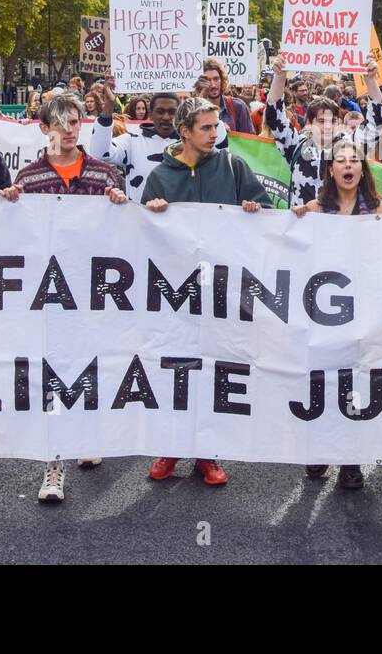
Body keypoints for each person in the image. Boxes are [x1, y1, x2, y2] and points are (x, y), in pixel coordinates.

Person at [0, 93, 128, 501]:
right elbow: (19, 237)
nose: (69, 129)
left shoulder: (106, 174)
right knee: (52, 371)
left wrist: (121, 206)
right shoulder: (29, 178)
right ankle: (53, 464)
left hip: (94, 293)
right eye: (60, 122)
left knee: (90, 368)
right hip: (50, 294)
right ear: (44, 129)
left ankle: (85, 436)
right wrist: (8, 206)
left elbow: (126, 238)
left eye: (75, 121)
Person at [141, 97, 271, 486]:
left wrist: (253, 209)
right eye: (207, 128)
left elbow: (266, 213)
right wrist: (152, 211)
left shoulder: (233, 166)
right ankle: (172, 446)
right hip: (176, 293)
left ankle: (207, 454)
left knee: (214, 368)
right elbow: (139, 233)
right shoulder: (159, 177)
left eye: (217, 127)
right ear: (184, 132)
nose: (215, 134)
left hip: (223, 289)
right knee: (176, 369)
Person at [291, 139, 382, 488]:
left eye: (354, 160)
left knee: (356, 384)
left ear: (362, 169)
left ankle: (351, 460)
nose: (348, 165)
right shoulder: (314, 210)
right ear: (331, 170)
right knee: (322, 383)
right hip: (322, 315)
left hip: (364, 315)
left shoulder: (380, 210)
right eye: (340, 160)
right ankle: (320, 452)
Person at [266, 57, 382, 207]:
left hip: (340, 226)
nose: (328, 126)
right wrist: (279, 77)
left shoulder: (351, 146)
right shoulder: (296, 145)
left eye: (333, 121)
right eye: (322, 121)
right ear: (309, 122)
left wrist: (370, 80)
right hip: (301, 227)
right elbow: (275, 117)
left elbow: (377, 123)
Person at [88, 91, 227, 202]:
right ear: (151, 114)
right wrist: (107, 110)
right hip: (141, 223)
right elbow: (100, 153)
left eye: (172, 112)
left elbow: (222, 152)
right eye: (160, 111)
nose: (166, 117)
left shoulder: (193, 142)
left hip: (184, 225)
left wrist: (202, 108)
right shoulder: (132, 141)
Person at [200, 59, 253, 133]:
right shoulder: (195, 111)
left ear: (222, 79)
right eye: (207, 80)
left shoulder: (238, 106)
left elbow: (250, 141)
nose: (213, 85)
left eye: (216, 79)